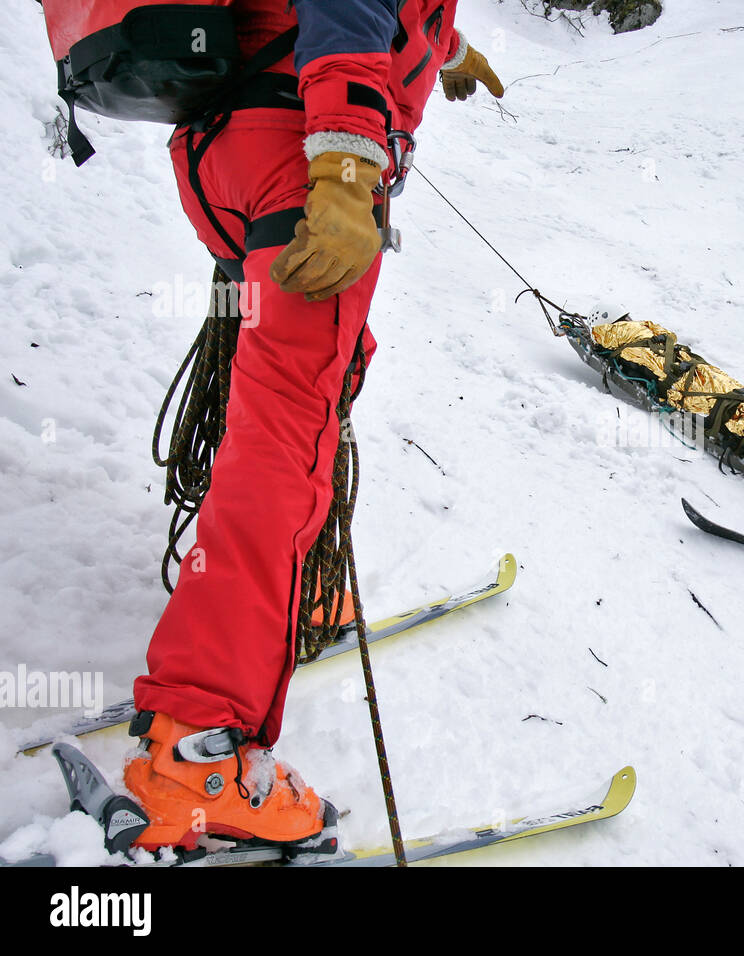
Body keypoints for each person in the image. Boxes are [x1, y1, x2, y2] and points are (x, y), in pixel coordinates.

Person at [123, 0, 504, 854]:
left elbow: (399, 16)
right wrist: (342, 169)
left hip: (235, 150)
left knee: (308, 388)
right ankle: (198, 745)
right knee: (284, 435)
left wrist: (454, 53)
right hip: (301, 159)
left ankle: (276, 598)